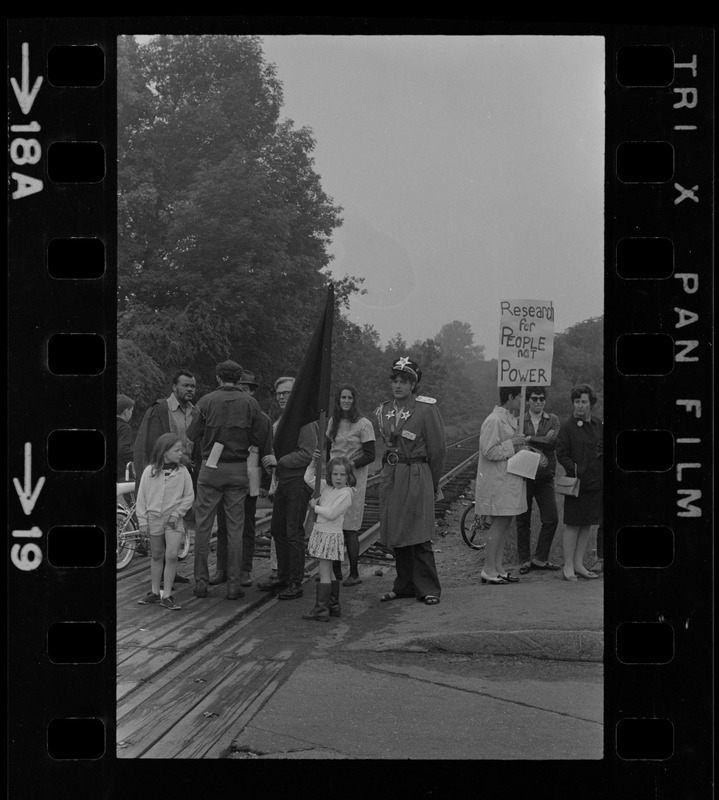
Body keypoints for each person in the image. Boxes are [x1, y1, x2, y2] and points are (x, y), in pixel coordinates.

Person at [187, 360, 272, 600]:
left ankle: (201, 584)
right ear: (238, 379)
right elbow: (259, 435)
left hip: (210, 470)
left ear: (218, 377)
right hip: (238, 469)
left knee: (203, 528)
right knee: (236, 528)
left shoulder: (205, 401)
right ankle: (234, 585)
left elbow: (192, 434)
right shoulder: (251, 403)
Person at [375, 357, 446, 606]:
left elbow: (438, 451)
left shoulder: (426, 409)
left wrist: (433, 482)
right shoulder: (383, 410)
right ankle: (403, 585)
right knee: (397, 529)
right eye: (395, 380)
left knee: (418, 530)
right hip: (392, 474)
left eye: (404, 381)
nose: (398, 385)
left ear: (413, 385)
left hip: (417, 472)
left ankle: (428, 588)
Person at [132, 370, 201, 586]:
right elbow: (152, 446)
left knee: (177, 520)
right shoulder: (160, 410)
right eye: (185, 385)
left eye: (193, 386)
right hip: (162, 473)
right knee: (160, 520)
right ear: (174, 387)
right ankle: (159, 574)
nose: (190, 389)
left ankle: (171, 569)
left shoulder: (196, 412)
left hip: (185, 474)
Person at [210, 369, 272, 588]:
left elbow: (266, 450)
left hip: (249, 478)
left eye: (245, 390)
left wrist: (265, 484)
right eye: (239, 389)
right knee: (223, 524)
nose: (242, 394)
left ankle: (244, 569)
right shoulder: (223, 414)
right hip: (225, 477)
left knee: (246, 526)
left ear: (252, 393)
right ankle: (222, 568)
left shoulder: (262, 418)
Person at [257, 376, 318, 600]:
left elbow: (307, 453)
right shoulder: (284, 420)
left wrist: (279, 461)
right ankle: (282, 575)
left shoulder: (304, 420)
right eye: (279, 393)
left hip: (298, 481)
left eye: (286, 393)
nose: (282, 397)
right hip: (284, 481)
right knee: (278, 529)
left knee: (293, 532)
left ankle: (295, 581)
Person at [475, 386, 528, 585]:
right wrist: (512, 444)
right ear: (511, 397)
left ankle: (498, 567)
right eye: (520, 397)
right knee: (498, 524)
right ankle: (488, 568)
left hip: (507, 480)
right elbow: (488, 451)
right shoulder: (494, 420)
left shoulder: (510, 419)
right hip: (496, 481)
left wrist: (519, 445)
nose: (523, 402)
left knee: (505, 523)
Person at [136, 433, 195, 611]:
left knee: (171, 555)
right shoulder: (150, 471)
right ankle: (155, 591)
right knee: (157, 555)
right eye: (176, 450)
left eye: (181, 449)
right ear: (164, 452)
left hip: (173, 520)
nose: (181, 453)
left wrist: (177, 514)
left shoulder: (183, 472)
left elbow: (189, 496)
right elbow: (142, 498)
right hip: (153, 518)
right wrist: (142, 521)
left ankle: (167, 594)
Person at [325, 384, 376, 586]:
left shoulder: (364, 424)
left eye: (349, 398)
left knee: (349, 528)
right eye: (343, 398)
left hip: (353, 479)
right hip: (334, 479)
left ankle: (354, 572)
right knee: (333, 524)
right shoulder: (333, 422)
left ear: (354, 400)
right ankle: (336, 571)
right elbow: (329, 448)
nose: (346, 401)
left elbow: (370, 454)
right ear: (338, 401)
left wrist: (349, 466)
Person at [556, 383, 603, 581]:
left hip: (595, 482)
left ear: (590, 404)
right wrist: (576, 469)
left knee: (587, 524)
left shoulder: (598, 424)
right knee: (573, 523)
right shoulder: (567, 427)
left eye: (584, 402)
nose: (580, 406)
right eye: (577, 402)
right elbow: (561, 453)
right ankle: (568, 566)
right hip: (576, 484)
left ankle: (578, 564)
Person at [301, 453, 356, 621]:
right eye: (335, 474)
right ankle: (333, 605)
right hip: (322, 533)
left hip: (330, 535)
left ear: (348, 476)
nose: (338, 478)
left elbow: (331, 513)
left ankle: (321, 609)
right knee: (329, 571)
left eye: (342, 475)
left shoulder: (346, 493)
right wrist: (313, 461)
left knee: (324, 571)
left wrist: (315, 507)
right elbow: (308, 478)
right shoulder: (327, 487)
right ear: (330, 474)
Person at [516, 386, 561, 574]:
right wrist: (541, 438)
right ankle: (525, 560)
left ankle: (540, 558)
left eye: (542, 398)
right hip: (524, 475)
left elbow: (554, 442)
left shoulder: (553, 420)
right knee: (523, 519)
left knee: (551, 518)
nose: (538, 402)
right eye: (534, 398)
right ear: (528, 401)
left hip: (545, 475)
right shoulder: (520, 420)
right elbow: (518, 441)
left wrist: (529, 438)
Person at [116, 394, 135, 481]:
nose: (131, 413)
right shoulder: (124, 427)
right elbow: (123, 449)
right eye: (131, 411)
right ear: (126, 411)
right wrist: (137, 456)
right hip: (122, 473)